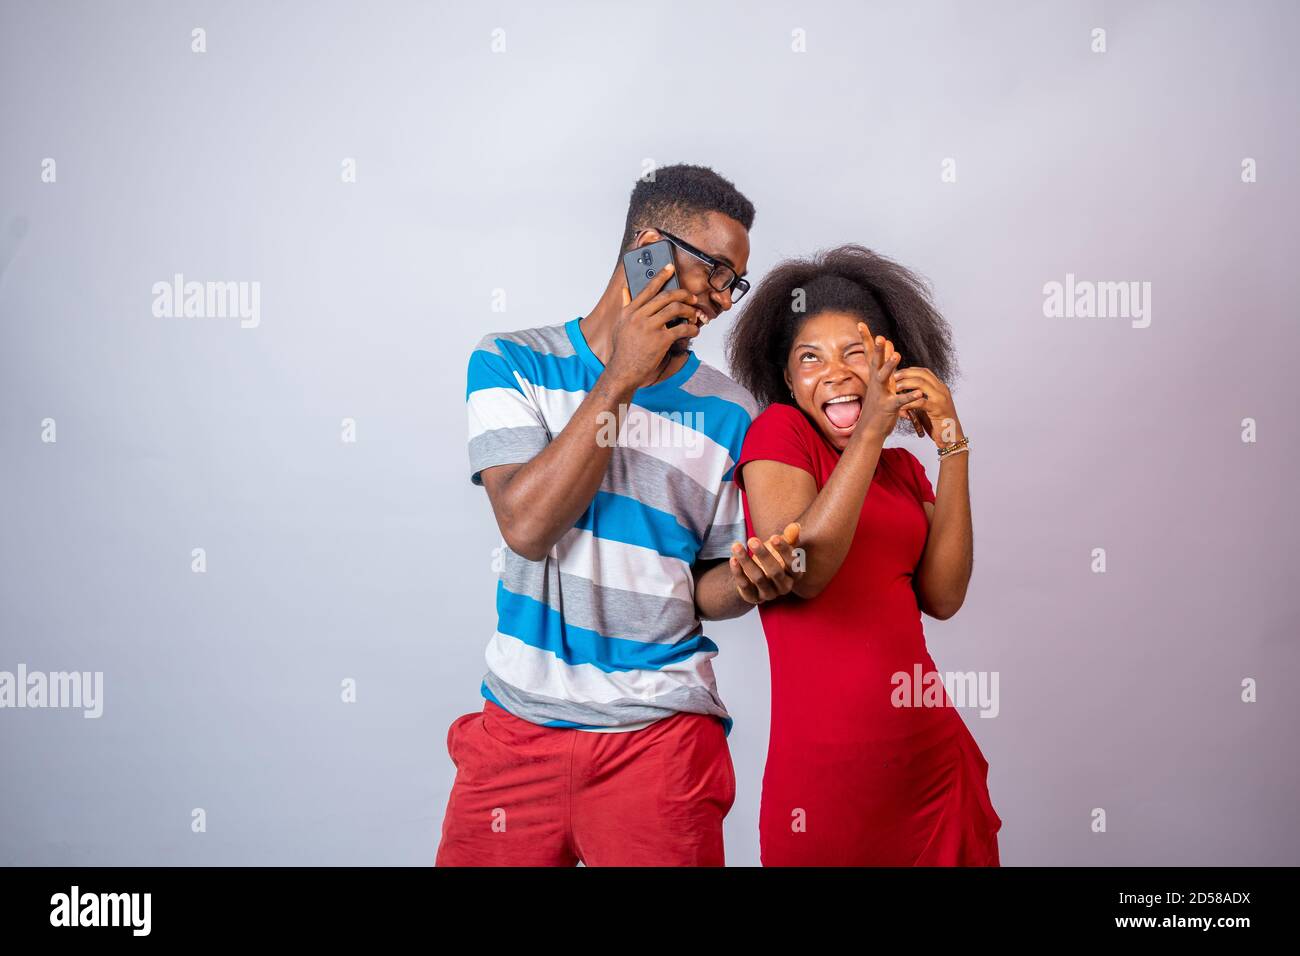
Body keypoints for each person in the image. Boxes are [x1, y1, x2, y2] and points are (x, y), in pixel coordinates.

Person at [436, 164, 803, 866]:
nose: (725, 300)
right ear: (647, 247)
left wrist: (752, 581)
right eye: (716, 271)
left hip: (661, 741)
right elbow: (527, 526)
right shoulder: (511, 362)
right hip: (515, 732)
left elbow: (705, 586)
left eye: (737, 282)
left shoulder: (731, 412)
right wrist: (620, 381)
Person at [725, 244, 1002, 865]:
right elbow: (807, 570)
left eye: (856, 353)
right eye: (810, 359)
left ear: (890, 365)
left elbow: (944, 597)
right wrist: (874, 425)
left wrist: (952, 448)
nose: (836, 373)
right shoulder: (779, 434)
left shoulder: (902, 470)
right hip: (826, 786)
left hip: (931, 768)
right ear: (790, 380)